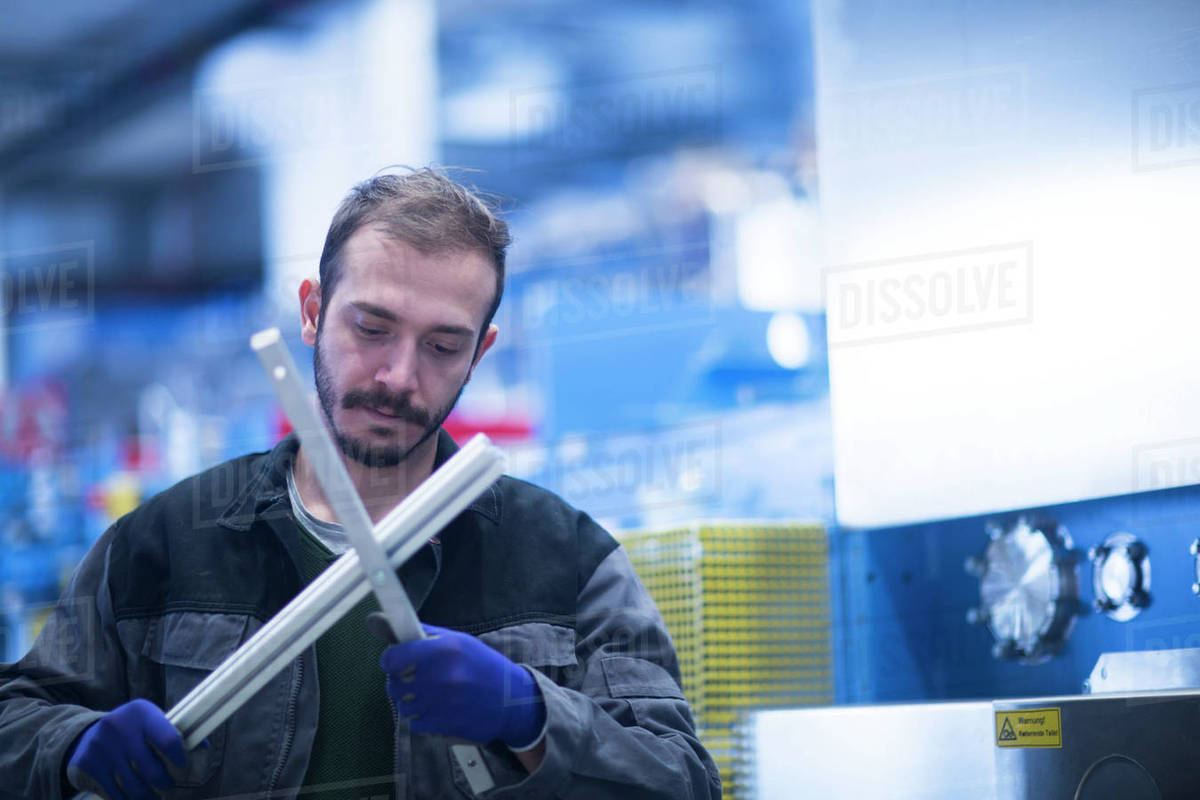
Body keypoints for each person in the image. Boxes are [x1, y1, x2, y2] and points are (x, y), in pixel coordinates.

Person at [0, 168, 723, 800]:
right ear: (312, 312)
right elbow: (17, 715)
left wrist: (530, 715)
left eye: (443, 346)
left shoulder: (567, 561)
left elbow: (681, 781)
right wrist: (70, 746)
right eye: (371, 328)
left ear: (481, 352)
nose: (399, 377)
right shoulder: (166, 542)